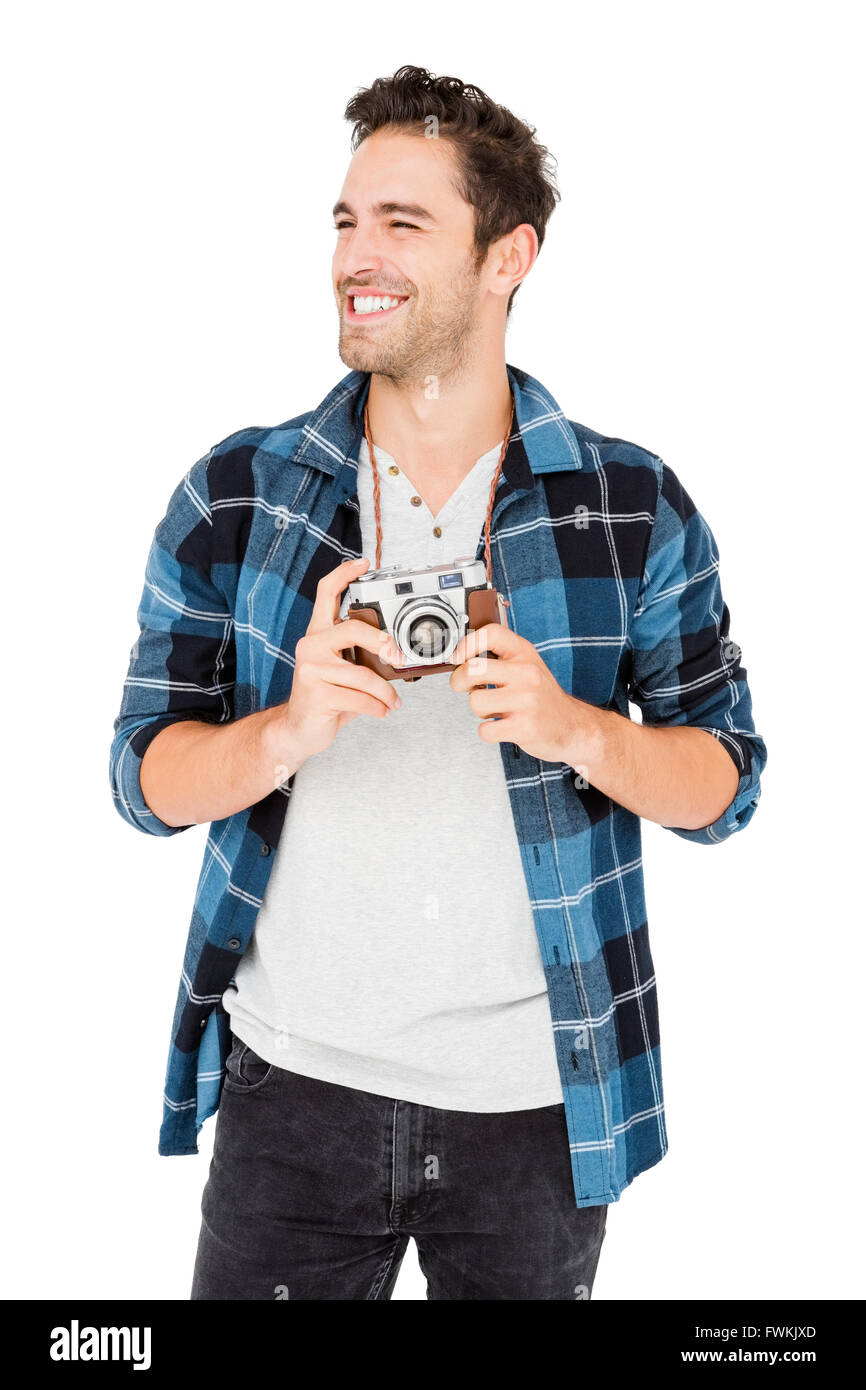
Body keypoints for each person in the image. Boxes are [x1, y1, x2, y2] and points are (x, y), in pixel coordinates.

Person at [109, 65, 767, 1301]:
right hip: (289, 1090)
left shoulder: (627, 505)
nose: (357, 254)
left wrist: (573, 727)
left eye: (402, 224)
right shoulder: (236, 494)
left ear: (507, 257)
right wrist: (285, 728)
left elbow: (724, 785)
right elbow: (141, 778)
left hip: (536, 1103)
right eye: (347, 221)